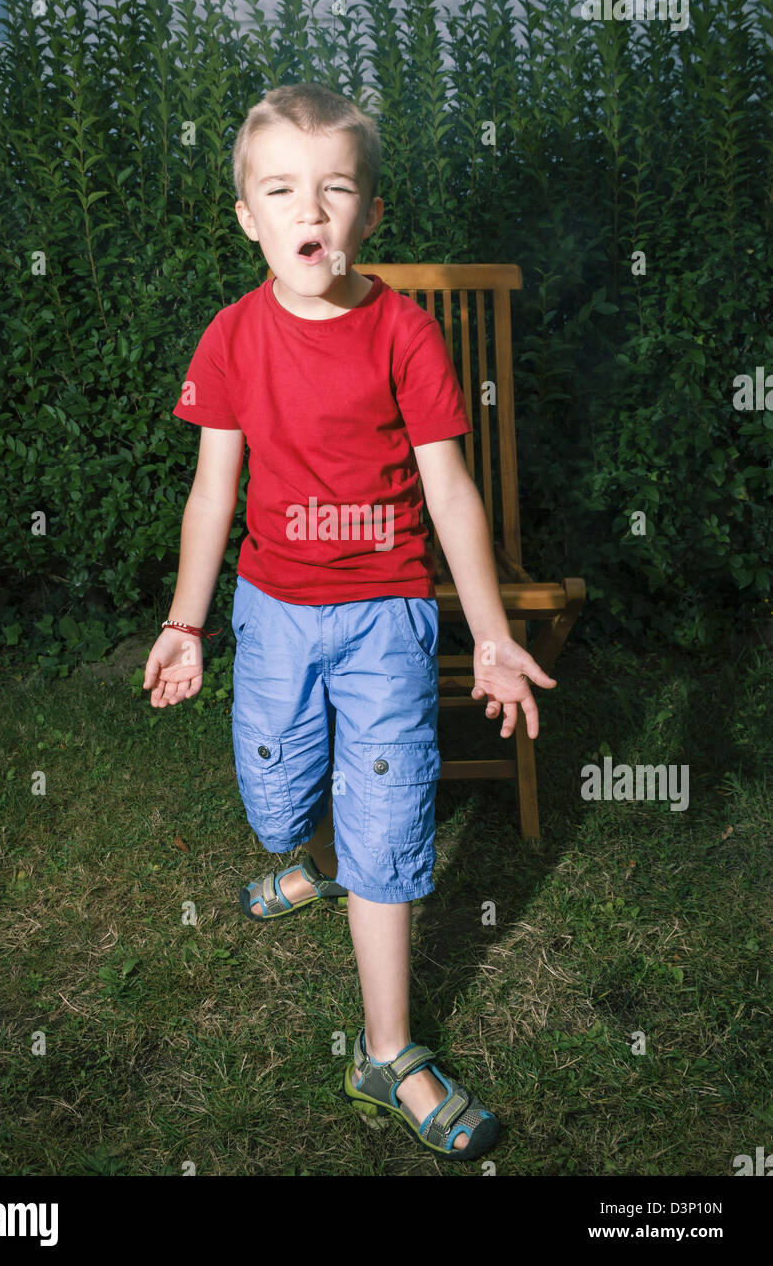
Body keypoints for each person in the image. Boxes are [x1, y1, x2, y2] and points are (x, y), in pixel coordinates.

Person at [143, 82, 556, 1162]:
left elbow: (451, 492)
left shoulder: (403, 333)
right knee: (277, 797)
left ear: (368, 214)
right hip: (272, 613)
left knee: (386, 810)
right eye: (281, 190)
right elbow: (210, 495)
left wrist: (492, 629)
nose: (308, 209)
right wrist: (188, 625)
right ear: (247, 216)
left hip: (383, 617)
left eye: (334, 188)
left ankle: (387, 1048)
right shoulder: (231, 337)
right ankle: (312, 854)